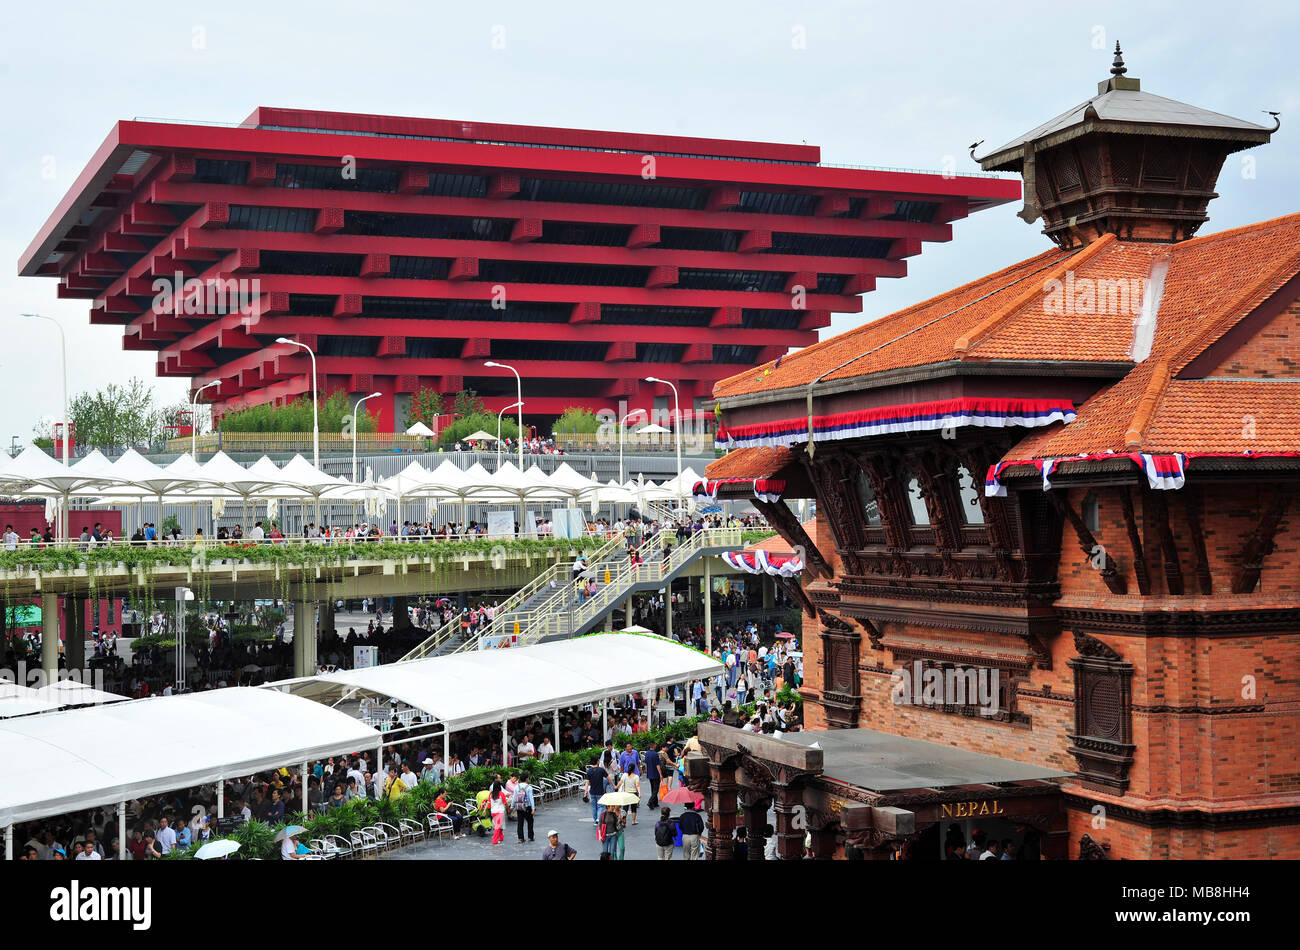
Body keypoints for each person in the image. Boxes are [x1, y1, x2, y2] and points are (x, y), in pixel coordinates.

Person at [485, 778, 510, 845]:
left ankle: (501, 837)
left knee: (498, 825)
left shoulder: (491, 794)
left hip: (493, 812)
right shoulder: (501, 794)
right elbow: (505, 803)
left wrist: (484, 810)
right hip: (500, 812)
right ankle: (494, 840)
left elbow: (488, 803)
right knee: (497, 826)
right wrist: (509, 809)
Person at [514, 774, 536, 843]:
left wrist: (512, 806)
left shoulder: (517, 787)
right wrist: (533, 808)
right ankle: (530, 836)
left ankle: (520, 838)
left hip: (519, 806)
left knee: (520, 823)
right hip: (527, 807)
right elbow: (531, 798)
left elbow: (514, 797)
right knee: (530, 822)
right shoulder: (529, 787)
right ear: (526, 779)